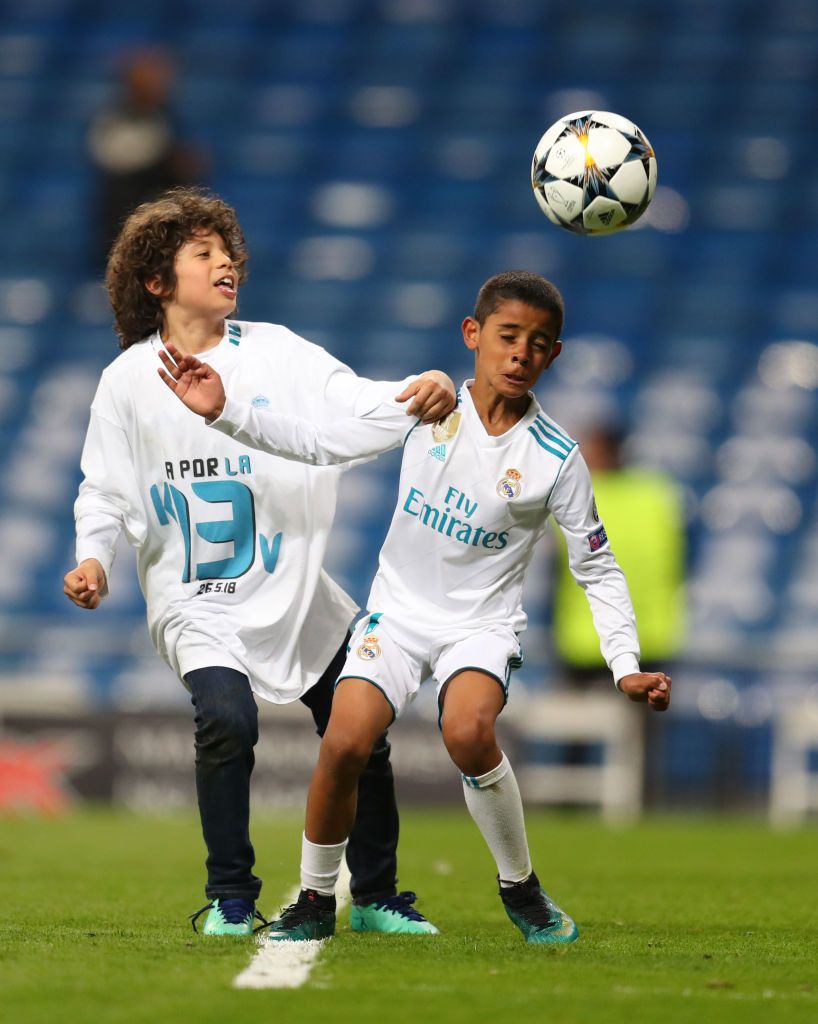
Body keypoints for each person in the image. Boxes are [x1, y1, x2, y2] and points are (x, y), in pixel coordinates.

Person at [158, 270, 672, 945]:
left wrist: (624, 663)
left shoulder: (557, 459)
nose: (520, 352)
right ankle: (315, 900)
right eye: (508, 335)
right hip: (397, 618)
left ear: (553, 356)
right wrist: (225, 411)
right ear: (473, 335)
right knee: (345, 740)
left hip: (479, 628)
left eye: (538, 342)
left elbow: (596, 566)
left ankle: (521, 887)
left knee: (467, 733)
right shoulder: (426, 409)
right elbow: (318, 440)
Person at [63, 186, 456, 937]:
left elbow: (350, 402)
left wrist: (419, 392)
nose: (226, 264)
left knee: (360, 726)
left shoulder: (276, 350)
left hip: (297, 592)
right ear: (156, 282)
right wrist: (94, 559)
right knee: (226, 719)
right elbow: (103, 489)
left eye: (228, 252)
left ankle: (374, 895)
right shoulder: (124, 383)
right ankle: (230, 897)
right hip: (195, 597)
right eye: (203, 254)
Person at [551, 421, 685, 803]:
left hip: (588, 631)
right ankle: (638, 803)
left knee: (588, 734)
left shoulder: (575, 491)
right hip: (642, 630)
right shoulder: (658, 495)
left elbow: (555, 566)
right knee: (635, 734)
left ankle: (578, 807)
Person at [87, 47, 206, 267]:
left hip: (168, 224)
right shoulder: (115, 118)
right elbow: (119, 158)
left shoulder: (169, 116)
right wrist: (167, 161)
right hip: (125, 222)